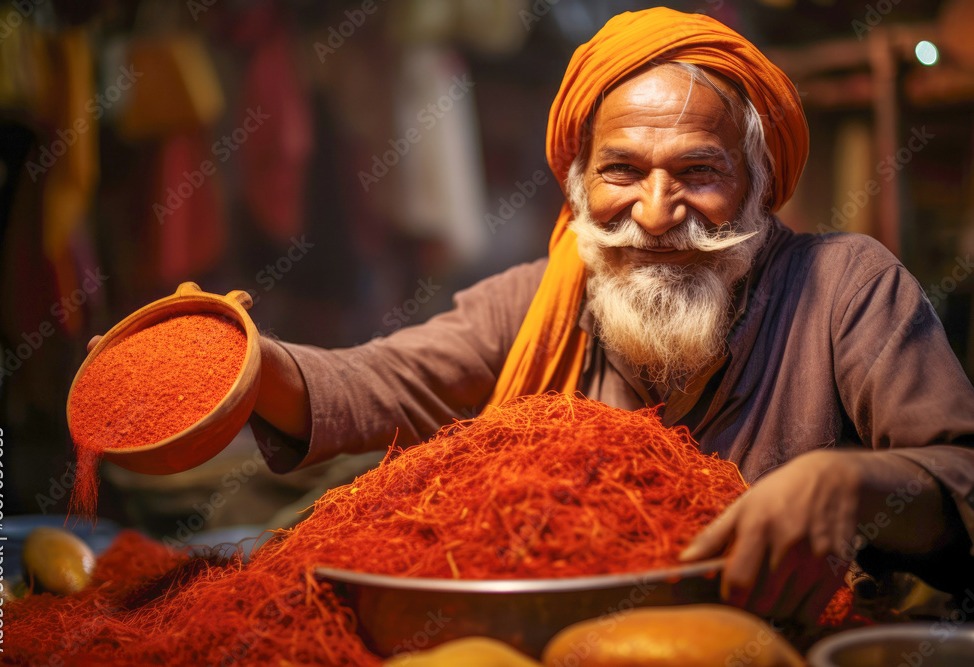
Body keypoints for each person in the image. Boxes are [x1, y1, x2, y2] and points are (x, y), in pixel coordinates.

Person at [246, 8, 974, 622]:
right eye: (621, 171)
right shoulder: (540, 299)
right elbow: (382, 378)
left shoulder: (846, 286)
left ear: (760, 183)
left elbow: (963, 475)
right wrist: (248, 366)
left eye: (700, 172)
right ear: (577, 186)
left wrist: (849, 486)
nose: (656, 215)